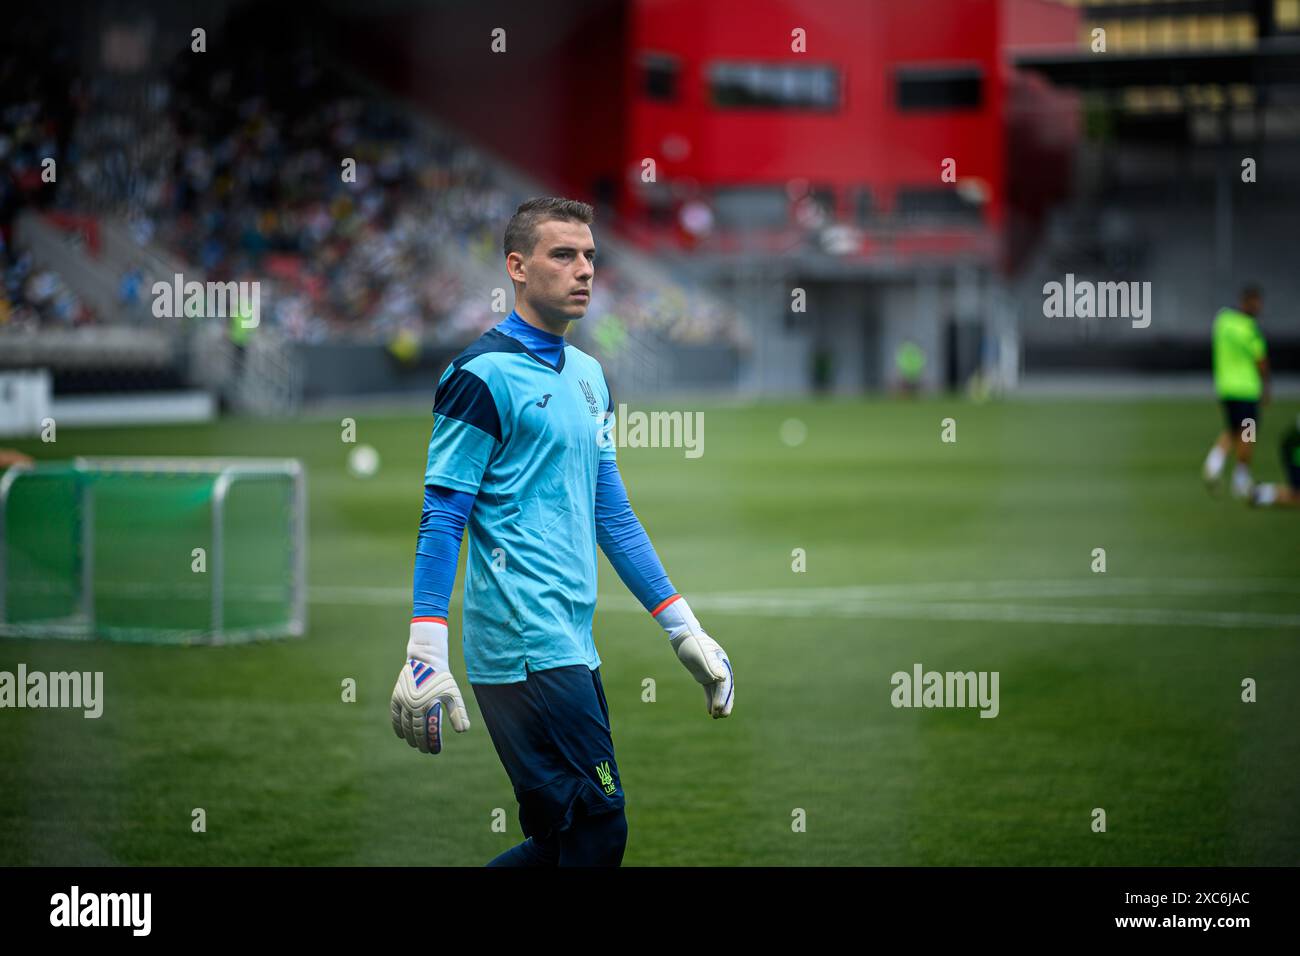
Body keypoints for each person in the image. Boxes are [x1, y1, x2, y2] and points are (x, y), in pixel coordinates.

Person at [389, 198, 734, 867]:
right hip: (521, 645)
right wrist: (424, 648)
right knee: (599, 829)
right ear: (516, 268)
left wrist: (682, 626)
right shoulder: (477, 376)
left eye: (591, 257)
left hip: (572, 640)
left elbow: (613, 514)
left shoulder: (589, 375)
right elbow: (444, 515)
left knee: (572, 837)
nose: (584, 271)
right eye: (563, 255)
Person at [1203, 286, 1270, 499]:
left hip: (1225, 387)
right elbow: (1261, 360)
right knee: (1247, 434)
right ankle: (1241, 478)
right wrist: (1266, 386)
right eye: (1257, 302)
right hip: (1247, 390)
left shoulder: (1223, 321)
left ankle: (1214, 463)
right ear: (1248, 302)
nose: (1259, 307)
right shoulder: (1250, 329)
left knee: (1233, 429)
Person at [1250, 415, 1300, 508]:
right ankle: (1262, 494)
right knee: (1297, 494)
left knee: (1296, 493)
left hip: (1293, 444)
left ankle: (1261, 493)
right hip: (1295, 446)